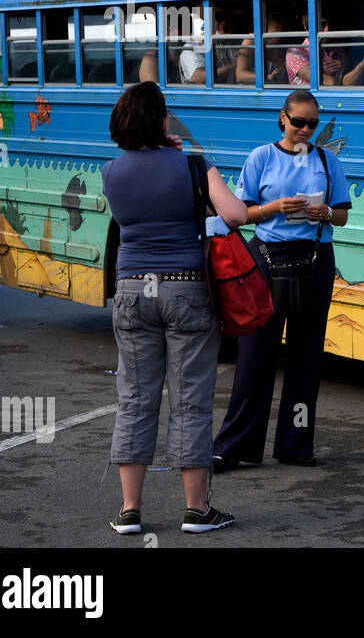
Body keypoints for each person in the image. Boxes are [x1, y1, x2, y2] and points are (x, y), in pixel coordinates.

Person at [102, 81, 248, 534]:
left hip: (130, 290)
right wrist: (191, 167)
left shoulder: (111, 172)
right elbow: (237, 214)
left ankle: (129, 511)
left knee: (135, 400)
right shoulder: (193, 166)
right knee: (189, 401)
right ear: (162, 121)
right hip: (186, 290)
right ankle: (195, 510)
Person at [212, 90, 351, 471]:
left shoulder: (327, 160)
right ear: (282, 119)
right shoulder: (261, 157)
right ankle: (235, 447)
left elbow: (342, 216)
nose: (305, 129)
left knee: (306, 360)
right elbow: (241, 213)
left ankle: (295, 444)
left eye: (312, 123)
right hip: (268, 260)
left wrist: (324, 212)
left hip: (315, 260)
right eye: (298, 122)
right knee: (255, 357)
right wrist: (275, 207)